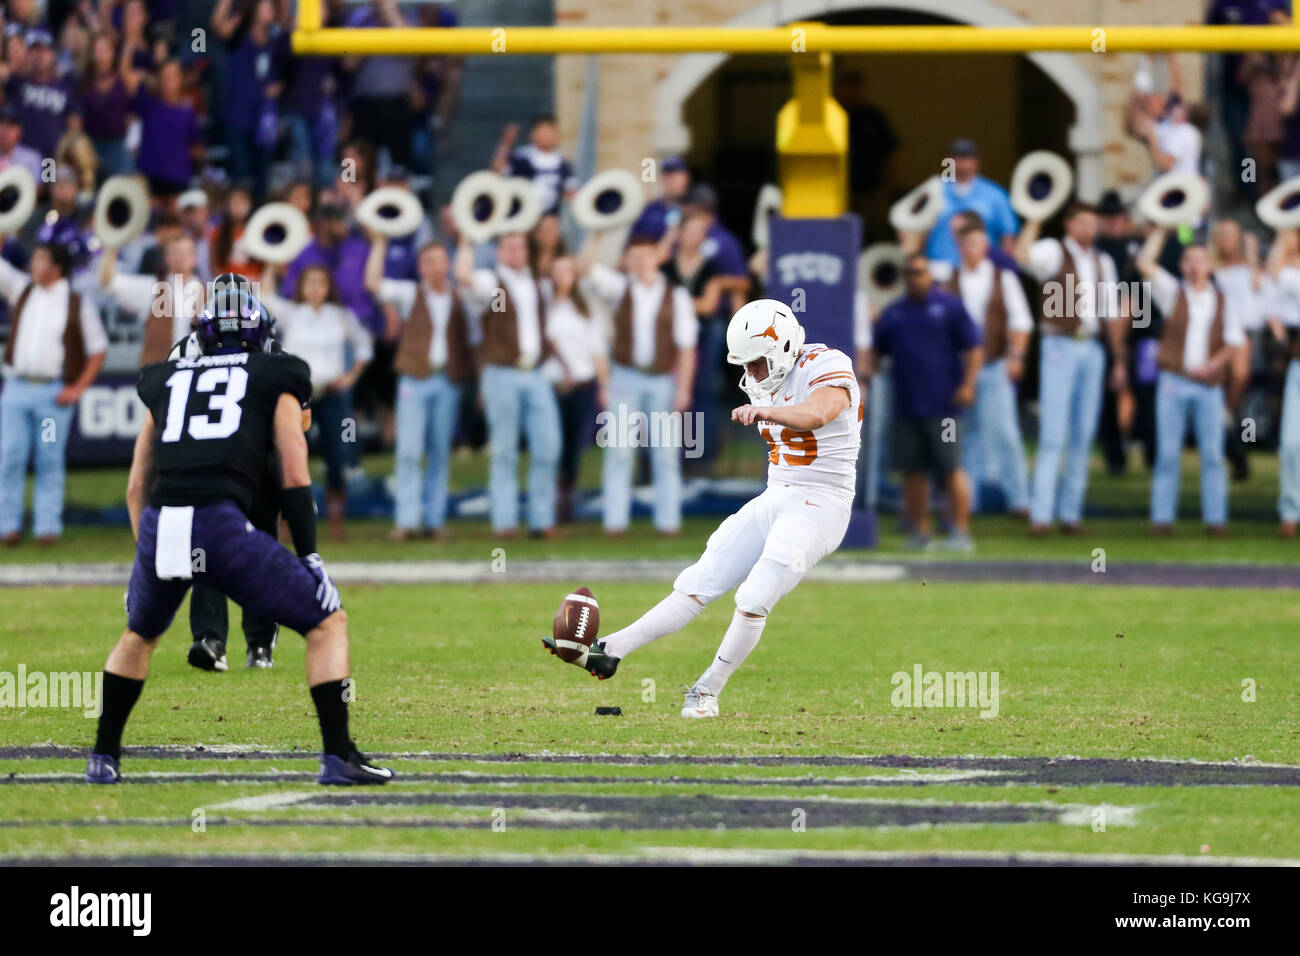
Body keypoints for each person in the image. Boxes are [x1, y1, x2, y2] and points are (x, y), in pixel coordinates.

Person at [85, 283, 392, 786]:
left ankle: (102, 757)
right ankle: (338, 755)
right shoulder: (278, 371)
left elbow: (136, 484)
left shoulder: (163, 378)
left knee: (138, 636)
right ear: (261, 335)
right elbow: (294, 472)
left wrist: (144, 555)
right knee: (328, 624)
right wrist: (311, 557)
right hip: (219, 521)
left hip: (163, 523)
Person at [543, 300, 860, 719]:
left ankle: (706, 691)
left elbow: (820, 412)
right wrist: (766, 401)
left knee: (754, 595)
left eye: (758, 364)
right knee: (698, 582)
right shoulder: (761, 377)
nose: (752, 376)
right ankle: (610, 651)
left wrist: (769, 410)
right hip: (777, 494)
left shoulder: (827, 363)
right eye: (745, 366)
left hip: (821, 502)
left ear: (782, 347)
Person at [1016, 202, 1127, 535]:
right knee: (1053, 433)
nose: (1089, 230)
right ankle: (1041, 514)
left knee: (1083, 433)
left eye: (1093, 224)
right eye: (1083, 222)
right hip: (1060, 344)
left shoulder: (1102, 261)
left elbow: (1111, 314)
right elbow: (1023, 256)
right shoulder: (1053, 251)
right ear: (1068, 224)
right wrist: (1035, 217)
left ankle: (1070, 512)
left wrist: (1119, 360)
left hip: (1091, 345)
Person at [582, 233, 697, 536]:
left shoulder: (677, 296)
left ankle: (668, 522)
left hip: (661, 379)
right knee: (619, 450)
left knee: (665, 452)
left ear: (657, 257)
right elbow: (587, 267)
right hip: (625, 375)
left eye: (645, 255)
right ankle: (615, 522)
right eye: (634, 256)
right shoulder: (620, 289)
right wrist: (597, 229)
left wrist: (683, 387)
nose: (639, 262)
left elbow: (686, 347)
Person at [870, 254, 982, 551]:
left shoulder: (950, 307)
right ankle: (921, 530)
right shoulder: (893, 313)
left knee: (951, 466)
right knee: (911, 470)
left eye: (919, 272)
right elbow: (876, 350)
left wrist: (968, 384)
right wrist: (863, 379)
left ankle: (960, 531)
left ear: (929, 274)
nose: (913, 277)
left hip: (945, 406)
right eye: (908, 272)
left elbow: (973, 347)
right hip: (906, 405)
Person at [366, 237, 474, 540]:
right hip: (415, 378)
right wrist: (380, 241)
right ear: (420, 267)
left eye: (439, 261)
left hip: (446, 379)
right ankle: (407, 520)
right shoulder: (410, 293)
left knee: (440, 452)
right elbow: (373, 283)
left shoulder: (459, 296)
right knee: (409, 452)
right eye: (428, 262)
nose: (434, 268)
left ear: (448, 264)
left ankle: (433, 520)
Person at [1138, 229, 1245, 535]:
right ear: (1182, 266)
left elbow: (1234, 340)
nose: (1194, 266)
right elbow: (1145, 263)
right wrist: (1159, 229)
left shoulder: (1223, 299)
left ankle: (1216, 519)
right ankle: (1162, 518)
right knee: (1168, 453)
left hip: (1208, 385)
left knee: (1211, 454)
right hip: (1175, 380)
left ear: (1210, 265)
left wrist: (1214, 364)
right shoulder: (1173, 292)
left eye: (1200, 260)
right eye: (1189, 260)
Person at [456, 230, 562, 537]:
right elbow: (463, 277)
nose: (515, 252)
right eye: (509, 247)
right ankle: (505, 521)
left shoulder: (537, 283)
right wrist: (466, 239)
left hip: (535, 370)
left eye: (520, 246)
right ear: (500, 252)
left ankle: (541, 520)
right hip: (502, 371)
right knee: (504, 449)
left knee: (548, 446)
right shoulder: (492, 281)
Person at [0, 241, 106, 546]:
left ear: (57, 267)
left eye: (40, 259)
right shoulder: (22, 290)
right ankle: (8, 526)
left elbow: (98, 350)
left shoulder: (77, 303)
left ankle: (47, 527)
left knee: (48, 458)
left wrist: (77, 388)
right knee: (10, 456)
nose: (33, 265)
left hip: (51, 395)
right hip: (17, 391)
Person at [260, 261, 372, 540]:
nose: (315, 289)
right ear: (300, 287)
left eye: (320, 283)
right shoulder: (291, 313)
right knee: (291, 456)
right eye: (309, 283)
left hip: (332, 394)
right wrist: (272, 262)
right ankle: (286, 521)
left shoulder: (341, 316)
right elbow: (262, 297)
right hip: (298, 396)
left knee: (337, 456)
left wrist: (350, 377)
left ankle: (336, 522)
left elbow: (364, 346)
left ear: (328, 288)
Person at [939, 217, 1033, 515]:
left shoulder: (1003, 278)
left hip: (993, 366)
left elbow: (1021, 322)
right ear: (959, 246)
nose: (972, 250)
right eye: (967, 244)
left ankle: (1019, 498)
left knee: (1004, 431)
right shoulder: (948, 278)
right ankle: (971, 500)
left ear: (986, 247)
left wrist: (1016, 356)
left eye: (978, 244)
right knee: (965, 435)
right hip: (959, 368)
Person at [543, 253, 608, 522]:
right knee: (550, 443)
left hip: (580, 383)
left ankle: (566, 498)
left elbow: (597, 350)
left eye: (567, 271)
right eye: (557, 271)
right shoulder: (544, 307)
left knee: (572, 444)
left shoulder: (586, 310)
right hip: (552, 384)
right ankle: (548, 500)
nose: (562, 277)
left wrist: (604, 385)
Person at [923, 138, 1019, 266]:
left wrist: (1005, 270)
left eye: (968, 156)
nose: (962, 161)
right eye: (957, 156)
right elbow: (915, 232)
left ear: (977, 161)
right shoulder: (933, 189)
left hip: (982, 270)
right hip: (939, 267)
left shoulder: (995, 194)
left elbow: (1009, 236)